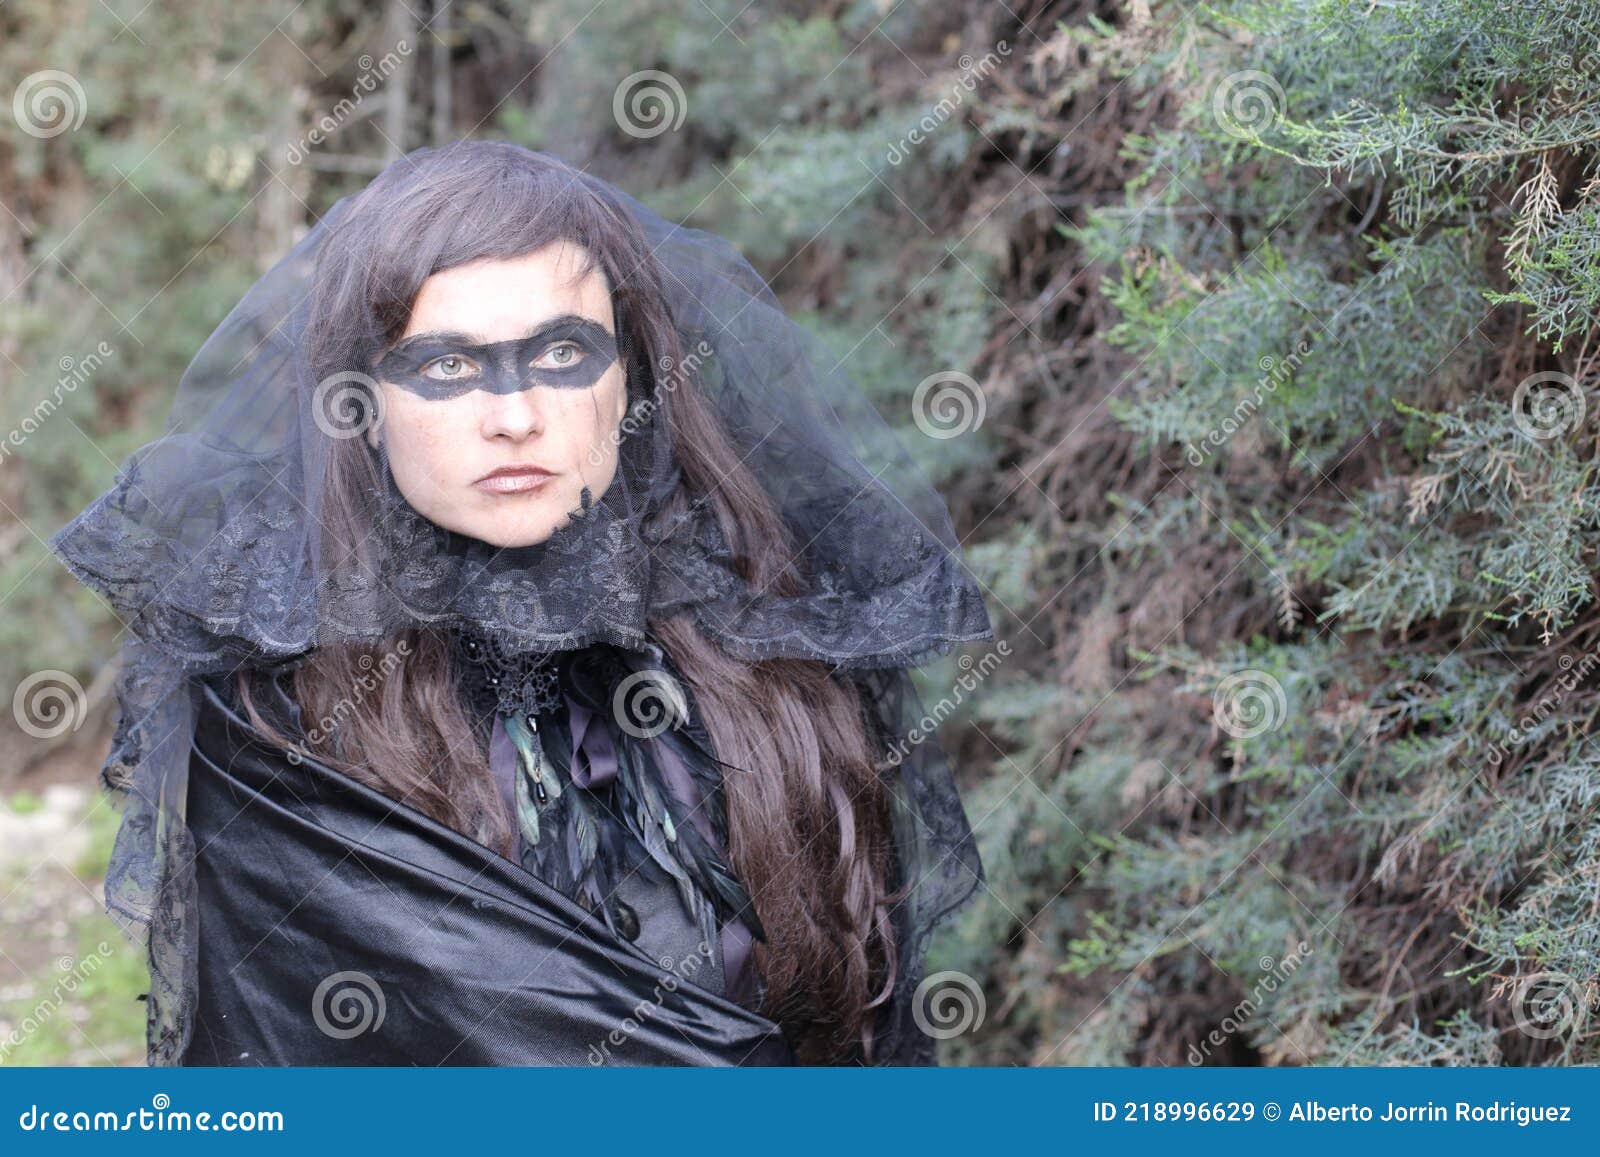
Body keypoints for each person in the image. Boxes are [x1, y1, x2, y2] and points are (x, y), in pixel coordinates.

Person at [47, 140, 994, 1066]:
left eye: (561, 352)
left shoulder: (779, 633)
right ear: (363, 401)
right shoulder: (276, 699)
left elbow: (869, 1025)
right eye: (448, 366)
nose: (514, 415)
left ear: (632, 372)